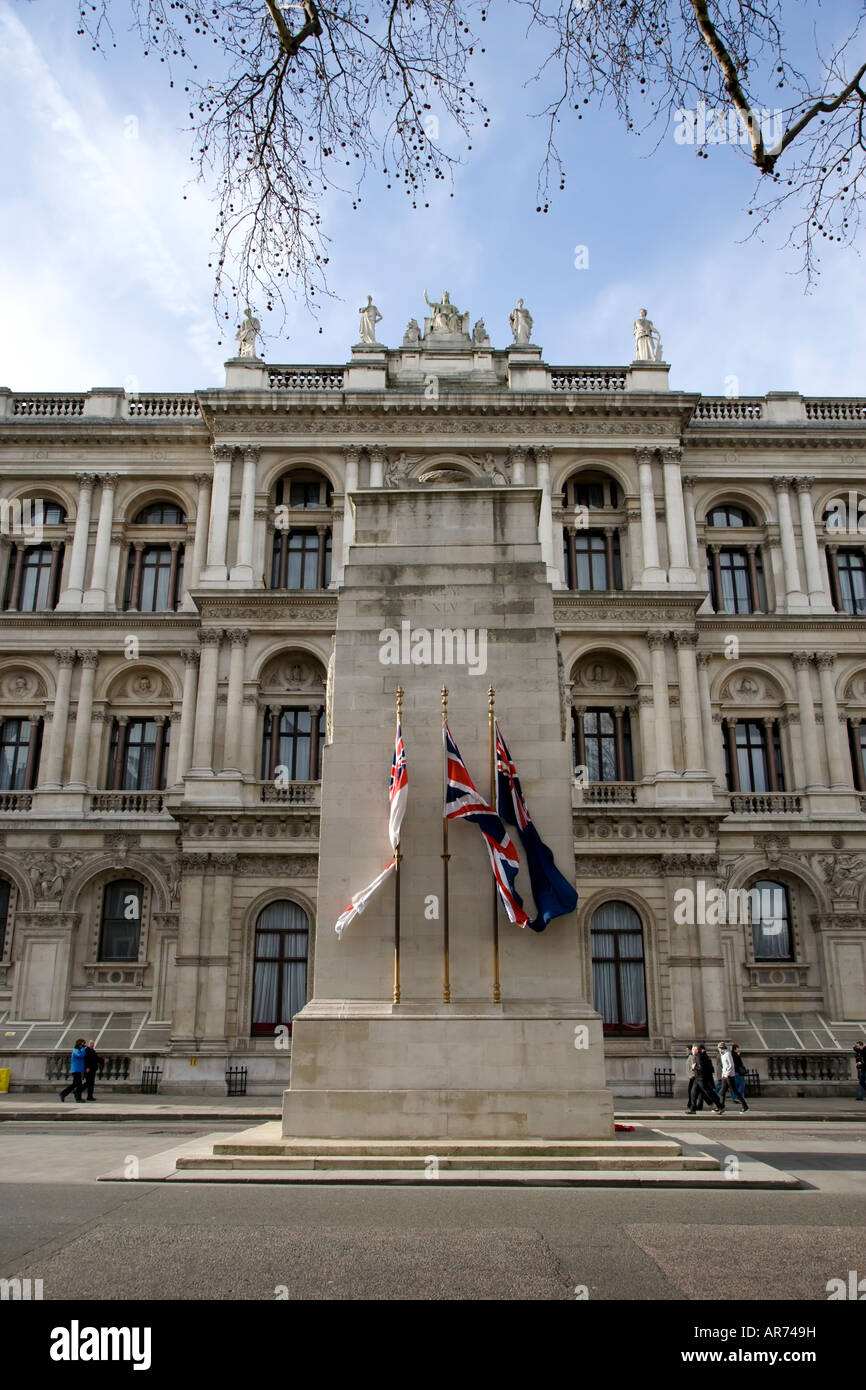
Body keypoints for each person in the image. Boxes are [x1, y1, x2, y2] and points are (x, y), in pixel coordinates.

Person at [717, 1041, 749, 1113]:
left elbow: (731, 1065)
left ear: (720, 1048)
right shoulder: (722, 1054)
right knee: (722, 1092)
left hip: (729, 1076)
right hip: (725, 1076)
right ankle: (721, 1107)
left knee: (735, 1091)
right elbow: (724, 1066)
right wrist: (723, 1074)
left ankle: (745, 1106)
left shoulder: (727, 1054)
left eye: (718, 1048)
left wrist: (727, 1074)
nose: (718, 1049)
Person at [59, 1039, 87, 1103]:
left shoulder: (79, 1050)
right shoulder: (75, 1050)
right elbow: (80, 1056)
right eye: (83, 1044)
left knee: (74, 1084)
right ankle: (78, 1098)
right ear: (79, 1044)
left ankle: (63, 1094)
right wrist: (83, 1049)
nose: (83, 1045)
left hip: (78, 1070)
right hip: (76, 1070)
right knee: (79, 1085)